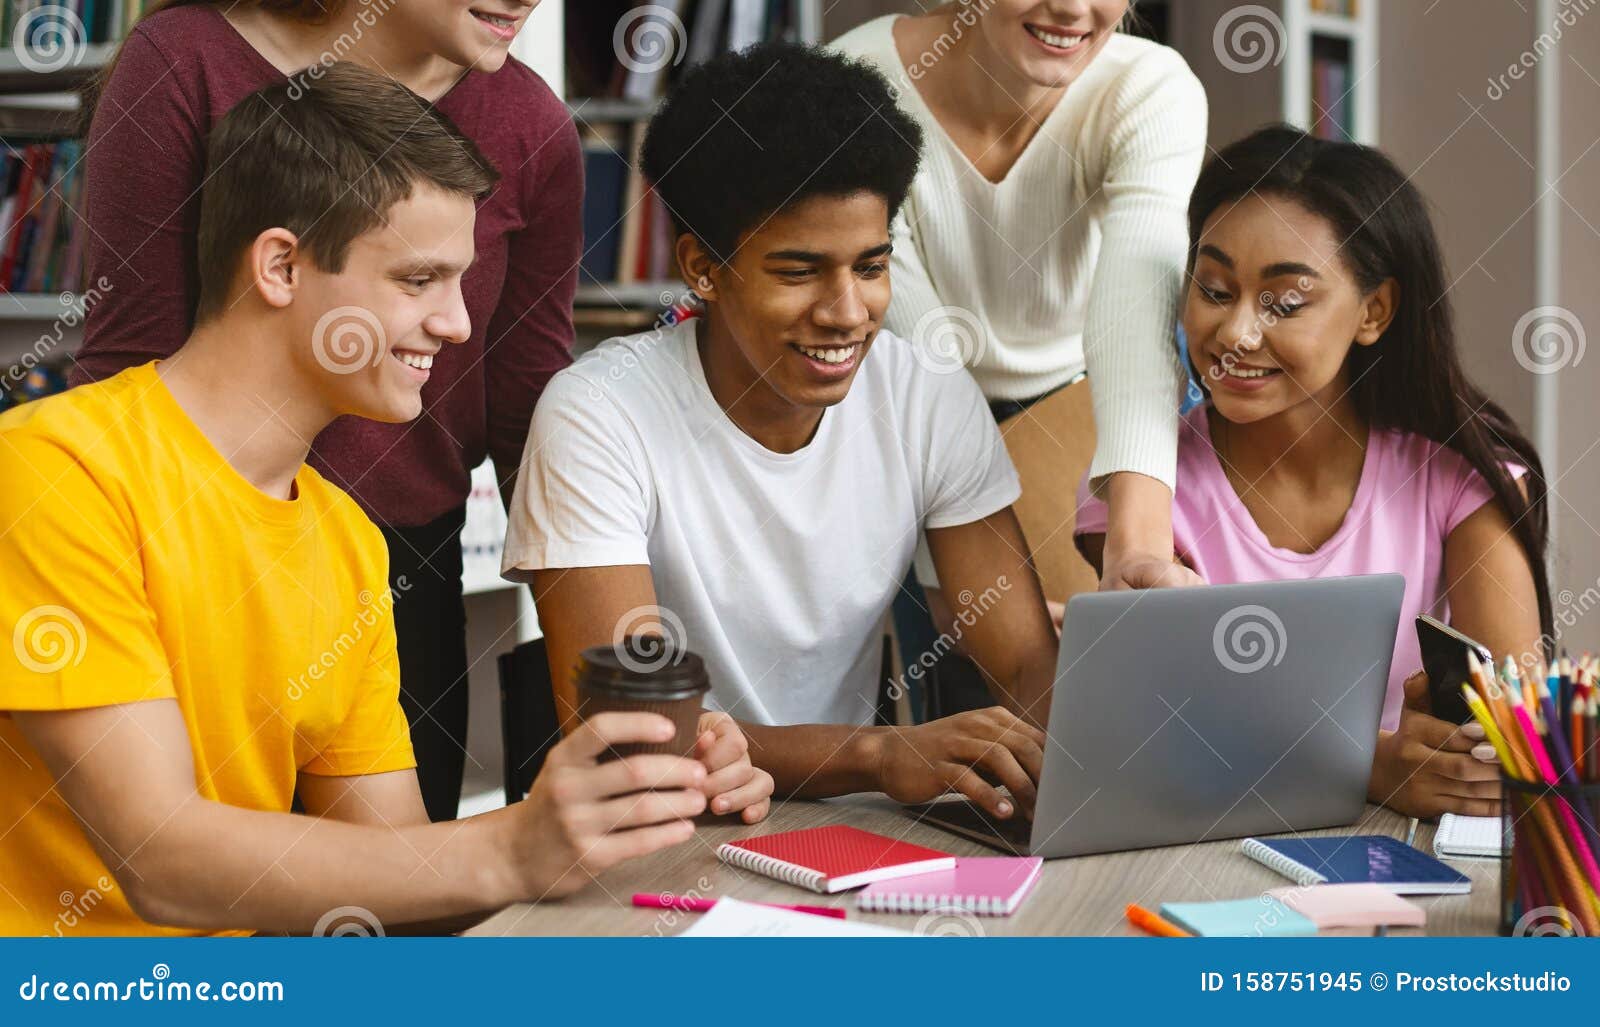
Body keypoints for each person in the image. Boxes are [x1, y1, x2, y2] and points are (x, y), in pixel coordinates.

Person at [0, 66, 764, 938]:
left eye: (461, 284)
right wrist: (515, 844)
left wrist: (621, 805)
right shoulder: (55, 472)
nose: (458, 324)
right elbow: (162, 862)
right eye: (418, 280)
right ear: (282, 265)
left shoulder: (347, 539)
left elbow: (398, 864)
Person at [504, 43, 1058, 823]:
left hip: (845, 824)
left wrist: (1056, 755)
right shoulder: (597, 413)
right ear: (703, 267)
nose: (846, 312)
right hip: (654, 825)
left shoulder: (927, 395)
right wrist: (875, 752)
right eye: (799, 272)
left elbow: (1028, 662)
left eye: (871, 266)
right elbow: (628, 737)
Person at [72, 0, 579, 821]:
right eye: (420, 281)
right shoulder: (188, 60)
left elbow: (531, 417)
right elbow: (125, 363)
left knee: (387, 917)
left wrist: (612, 687)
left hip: (396, 566)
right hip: (190, 551)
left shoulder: (531, 123)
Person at [1075, 126, 1550, 819]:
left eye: (1284, 303)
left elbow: (1518, 740)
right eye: (1213, 288)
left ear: (1374, 311)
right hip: (1201, 846)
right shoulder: (1147, 490)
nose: (1236, 333)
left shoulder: (1459, 482)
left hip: (1408, 855)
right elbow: (1156, 740)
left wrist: (1463, 756)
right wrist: (1371, 763)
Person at [832, 1, 1208, 596]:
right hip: (912, 395)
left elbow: (1135, 324)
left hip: (1093, 393)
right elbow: (920, 351)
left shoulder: (1148, 89)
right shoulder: (853, 83)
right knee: (961, 655)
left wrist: (1134, 545)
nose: (1070, 7)